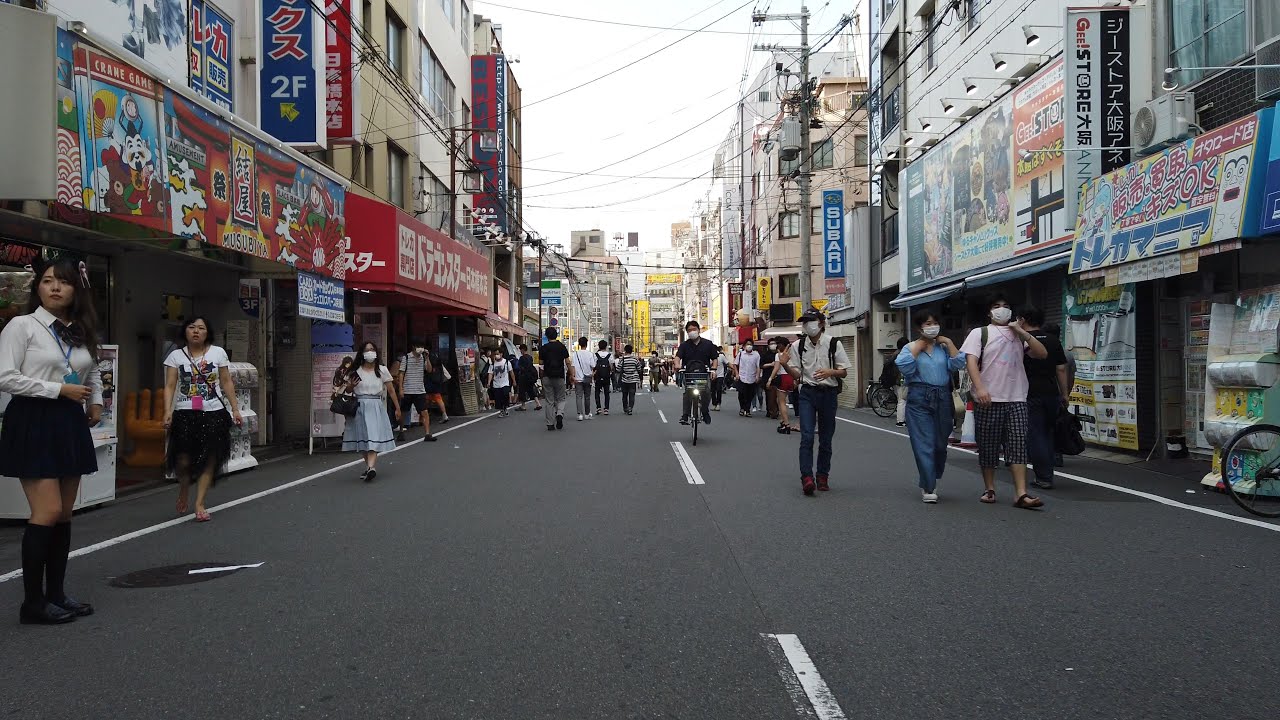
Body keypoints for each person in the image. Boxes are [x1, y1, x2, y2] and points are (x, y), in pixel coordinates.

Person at [0, 256, 103, 624]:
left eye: (63, 281)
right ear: (37, 288)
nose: (55, 287)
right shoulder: (21, 326)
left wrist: (95, 400)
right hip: (33, 417)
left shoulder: (79, 329)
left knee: (63, 513)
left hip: (69, 420)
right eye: (47, 281)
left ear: (75, 289)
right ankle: (33, 603)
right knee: (46, 512)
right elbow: (6, 378)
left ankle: (57, 594)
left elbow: (92, 370)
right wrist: (57, 389)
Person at [960, 296, 1048, 509]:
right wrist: (980, 388)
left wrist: (1022, 331)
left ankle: (1021, 493)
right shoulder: (979, 333)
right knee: (988, 446)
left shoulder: (1018, 334)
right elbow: (970, 361)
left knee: (1018, 444)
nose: (1002, 310)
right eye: (996, 307)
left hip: (1017, 396)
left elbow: (1042, 354)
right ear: (989, 312)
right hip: (988, 398)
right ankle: (989, 488)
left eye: (1006, 306)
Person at [163, 316, 243, 523]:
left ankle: (199, 503)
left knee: (210, 458)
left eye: (201, 328)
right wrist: (167, 411)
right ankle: (184, 487)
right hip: (184, 412)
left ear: (208, 332)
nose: (196, 331)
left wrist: (235, 409)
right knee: (182, 459)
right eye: (192, 327)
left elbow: (226, 381)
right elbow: (170, 385)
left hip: (214, 411)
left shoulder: (218, 353)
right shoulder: (175, 356)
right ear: (185, 331)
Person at [896, 309, 967, 503]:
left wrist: (950, 342)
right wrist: (918, 347)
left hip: (943, 397)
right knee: (924, 443)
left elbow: (959, 363)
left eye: (934, 322)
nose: (932, 326)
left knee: (939, 445)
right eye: (927, 323)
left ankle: (930, 477)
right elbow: (904, 367)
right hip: (919, 398)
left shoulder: (943, 348)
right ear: (919, 327)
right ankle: (929, 486)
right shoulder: (911, 346)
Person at [783, 308, 851, 496]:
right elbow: (797, 374)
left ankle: (822, 475)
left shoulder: (833, 343)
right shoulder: (798, 345)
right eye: (804, 322)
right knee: (807, 436)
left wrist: (831, 372)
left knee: (826, 438)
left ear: (821, 323)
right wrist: (785, 365)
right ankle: (806, 477)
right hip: (807, 392)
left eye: (810, 321)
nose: (807, 325)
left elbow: (843, 371)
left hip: (828, 393)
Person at [1020, 308, 1070, 489]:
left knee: (1036, 434)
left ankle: (1044, 476)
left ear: (1023, 320)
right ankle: (1048, 470)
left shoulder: (1021, 341)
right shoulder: (1053, 340)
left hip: (1029, 393)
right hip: (1051, 392)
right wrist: (1064, 394)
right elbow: (1061, 369)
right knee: (1048, 432)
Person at [339, 341, 400, 482]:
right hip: (359, 405)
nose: (370, 352)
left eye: (372, 349)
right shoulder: (355, 371)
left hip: (375, 405)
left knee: (373, 436)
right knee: (362, 439)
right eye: (367, 350)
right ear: (362, 353)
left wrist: (397, 408)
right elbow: (348, 390)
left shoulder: (382, 370)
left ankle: (371, 467)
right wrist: (351, 386)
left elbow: (391, 390)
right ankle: (369, 468)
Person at [675, 320, 717, 425]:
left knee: (706, 392)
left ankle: (705, 411)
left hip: (703, 374)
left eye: (694, 329)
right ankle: (685, 415)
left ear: (699, 330)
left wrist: (713, 370)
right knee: (687, 393)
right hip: (689, 374)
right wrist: (677, 365)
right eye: (689, 330)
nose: (692, 332)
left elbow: (715, 359)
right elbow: (677, 357)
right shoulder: (684, 345)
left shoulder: (708, 344)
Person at [398, 341, 438, 441]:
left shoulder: (423, 358)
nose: (420, 348)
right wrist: (401, 389)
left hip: (420, 390)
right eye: (418, 346)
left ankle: (427, 433)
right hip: (407, 389)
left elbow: (429, 370)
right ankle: (401, 431)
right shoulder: (406, 358)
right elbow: (401, 373)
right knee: (403, 412)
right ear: (413, 347)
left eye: (421, 346)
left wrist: (427, 358)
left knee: (424, 412)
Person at [539, 327, 572, 430]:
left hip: (547, 376)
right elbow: (567, 362)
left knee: (549, 401)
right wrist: (571, 374)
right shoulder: (562, 347)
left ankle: (550, 424)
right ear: (556, 335)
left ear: (547, 336)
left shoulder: (543, 348)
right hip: (559, 376)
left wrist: (541, 377)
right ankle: (559, 413)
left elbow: (540, 364)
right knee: (561, 398)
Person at [769, 336, 800, 434]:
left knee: (781, 402)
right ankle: (783, 421)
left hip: (783, 377)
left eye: (778, 344)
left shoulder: (779, 355)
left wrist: (770, 379)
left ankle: (786, 424)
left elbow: (776, 368)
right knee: (784, 400)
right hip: (792, 377)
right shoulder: (792, 353)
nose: (777, 345)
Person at [421, 348, 449, 430]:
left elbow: (428, 370)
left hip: (430, 381)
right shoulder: (437, 356)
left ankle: (423, 416)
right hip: (438, 380)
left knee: (426, 397)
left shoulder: (428, 357)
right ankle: (444, 414)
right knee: (437, 397)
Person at [734, 339, 762, 417]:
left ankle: (747, 410)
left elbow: (758, 366)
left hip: (752, 377)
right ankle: (742, 408)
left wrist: (757, 376)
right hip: (742, 377)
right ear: (744, 346)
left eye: (750, 344)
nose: (749, 346)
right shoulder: (741, 354)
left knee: (750, 395)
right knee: (741, 394)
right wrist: (736, 374)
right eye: (747, 344)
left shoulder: (756, 355)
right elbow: (735, 364)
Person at [570, 337, 596, 421]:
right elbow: (593, 365)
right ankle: (587, 414)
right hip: (587, 377)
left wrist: (573, 376)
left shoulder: (575, 354)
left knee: (579, 396)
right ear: (586, 344)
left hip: (578, 378)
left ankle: (579, 414)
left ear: (579, 344)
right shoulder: (590, 354)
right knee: (587, 396)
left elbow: (573, 366)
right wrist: (593, 374)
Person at [887, 337, 909, 426]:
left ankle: (902, 419)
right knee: (902, 400)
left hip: (895, 380)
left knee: (901, 400)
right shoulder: (901, 354)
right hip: (900, 380)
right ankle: (900, 421)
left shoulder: (895, 353)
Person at [488, 348, 515, 417]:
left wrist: (514, 381)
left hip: (505, 383)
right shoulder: (493, 364)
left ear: (501, 354)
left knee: (505, 396)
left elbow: (511, 372)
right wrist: (488, 382)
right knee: (498, 398)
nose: (496, 355)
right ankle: (502, 410)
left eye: (497, 354)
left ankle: (505, 407)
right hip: (496, 384)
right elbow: (490, 373)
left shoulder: (506, 362)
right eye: (495, 354)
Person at [617, 344, 644, 415]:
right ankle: (630, 408)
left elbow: (618, 369)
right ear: (632, 351)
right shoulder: (635, 359)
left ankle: (625, 408)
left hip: (624, 379)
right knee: (632, 395)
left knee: (624, 395)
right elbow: (639, 369)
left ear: (625, 351)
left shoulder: (622, 359)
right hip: (633, 380)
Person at [514, 344, 541, 411]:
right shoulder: (530, 357)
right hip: (530, 377)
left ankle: (523, 406)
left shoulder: (522, 358)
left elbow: (519, 367)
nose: (520, 351)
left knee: (522, 391)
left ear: (522, 350)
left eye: (520, 350)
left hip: (523, 377)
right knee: (531, 390)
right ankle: (538, 404)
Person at [758, 339, 779, 417]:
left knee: (777, 395)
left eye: (774, 343)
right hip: (767, 377)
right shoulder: (765, 354)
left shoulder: (779, 354)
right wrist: (771, 364)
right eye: (771, 344)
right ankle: (770, 410)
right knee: (769, 395)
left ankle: (776, 409)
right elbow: (761, 365)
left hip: (778, 377)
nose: (773, 345)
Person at [593, 340, 614, 415]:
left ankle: (598, 408)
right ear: (606, 346)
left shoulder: (595, 355)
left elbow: (593, 366)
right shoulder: (609, 355)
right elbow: (611, 367)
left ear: (599, 346)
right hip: (606, 376)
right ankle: (606, 409)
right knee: (606, 393)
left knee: (597, 392)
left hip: (598, 376)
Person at [712, 344, 733, 411]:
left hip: (720, 376)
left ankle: (718, 404)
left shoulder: (721, 356)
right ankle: (714, 403)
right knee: (712, 391)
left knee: (718, 389)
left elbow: (728, 363)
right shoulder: (708, 357)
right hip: (712, 376)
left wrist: (734, 369)